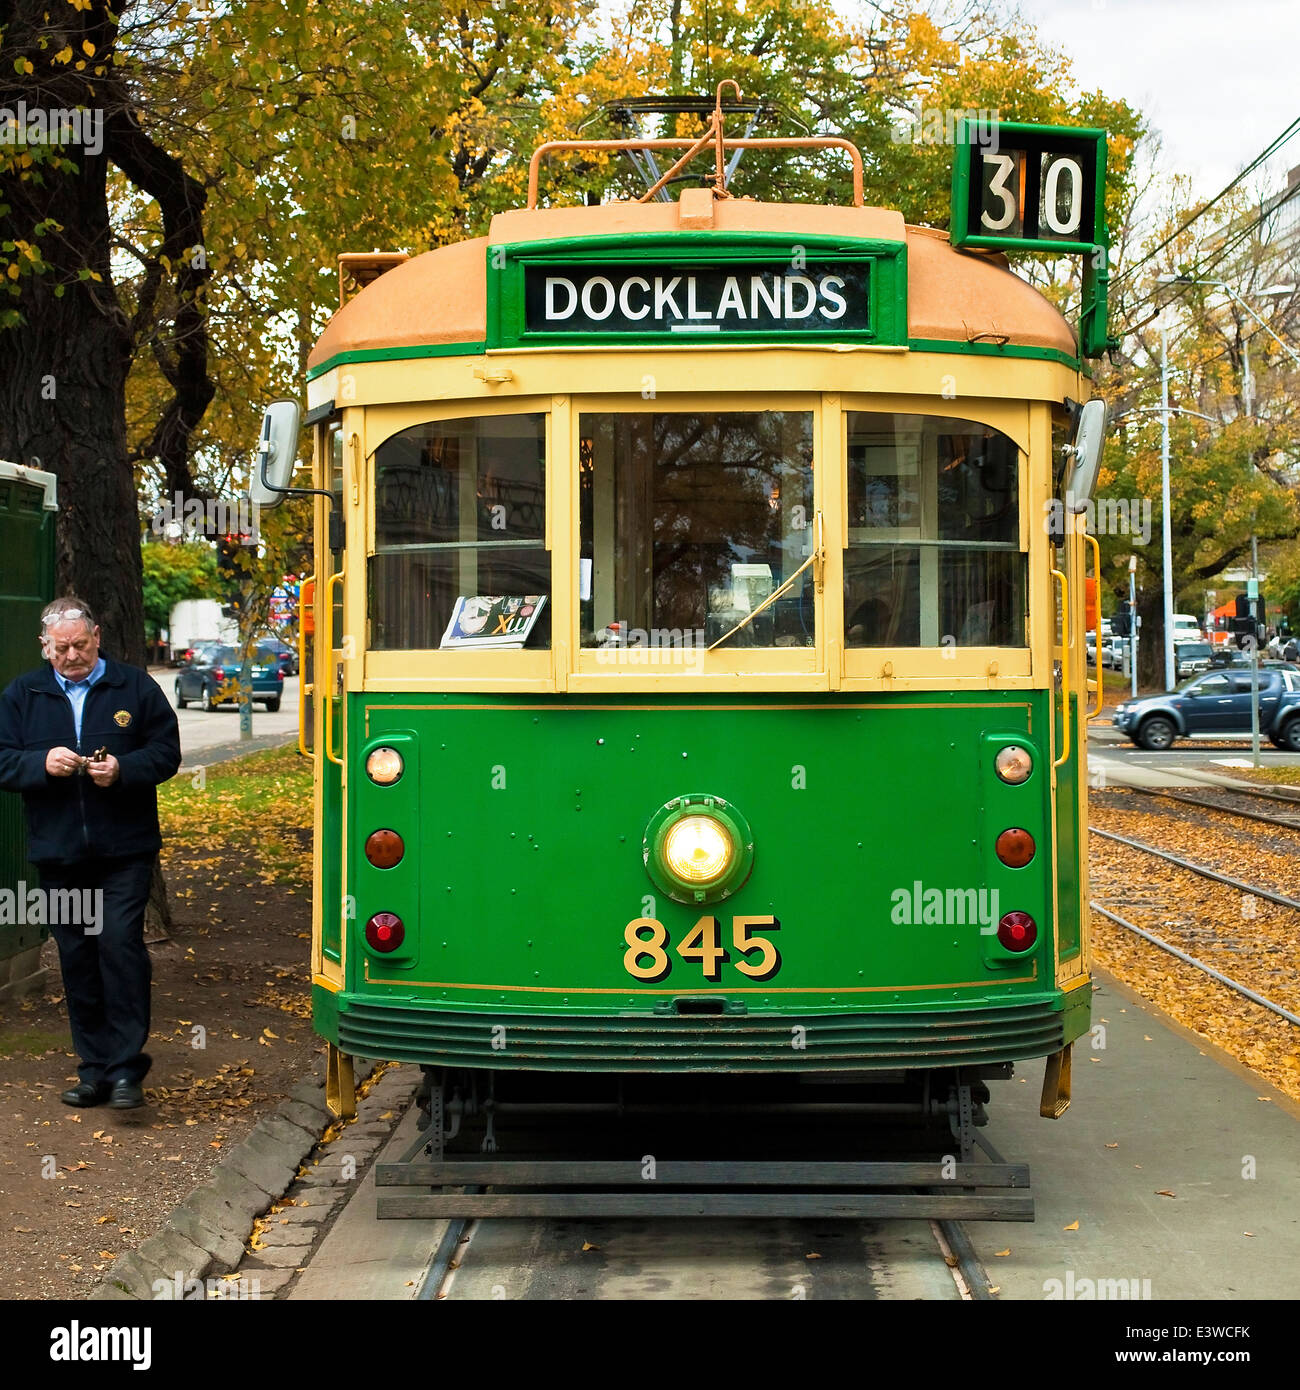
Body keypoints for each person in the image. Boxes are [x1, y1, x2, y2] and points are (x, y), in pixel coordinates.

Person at [0, 597, 181, 1109]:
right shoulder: (24, 694)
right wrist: (40, 763)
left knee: (119, 946)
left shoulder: (133, 687)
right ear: (45, 647)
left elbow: (166, 752)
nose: (73, 655)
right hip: (59, 853)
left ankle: (126, 1070)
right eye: (62, 648)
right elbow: (2, 759)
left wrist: (123, 769)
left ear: (97, 636)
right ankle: (93, 1069)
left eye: (81, 644)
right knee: (77, 956)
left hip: (124, 850)